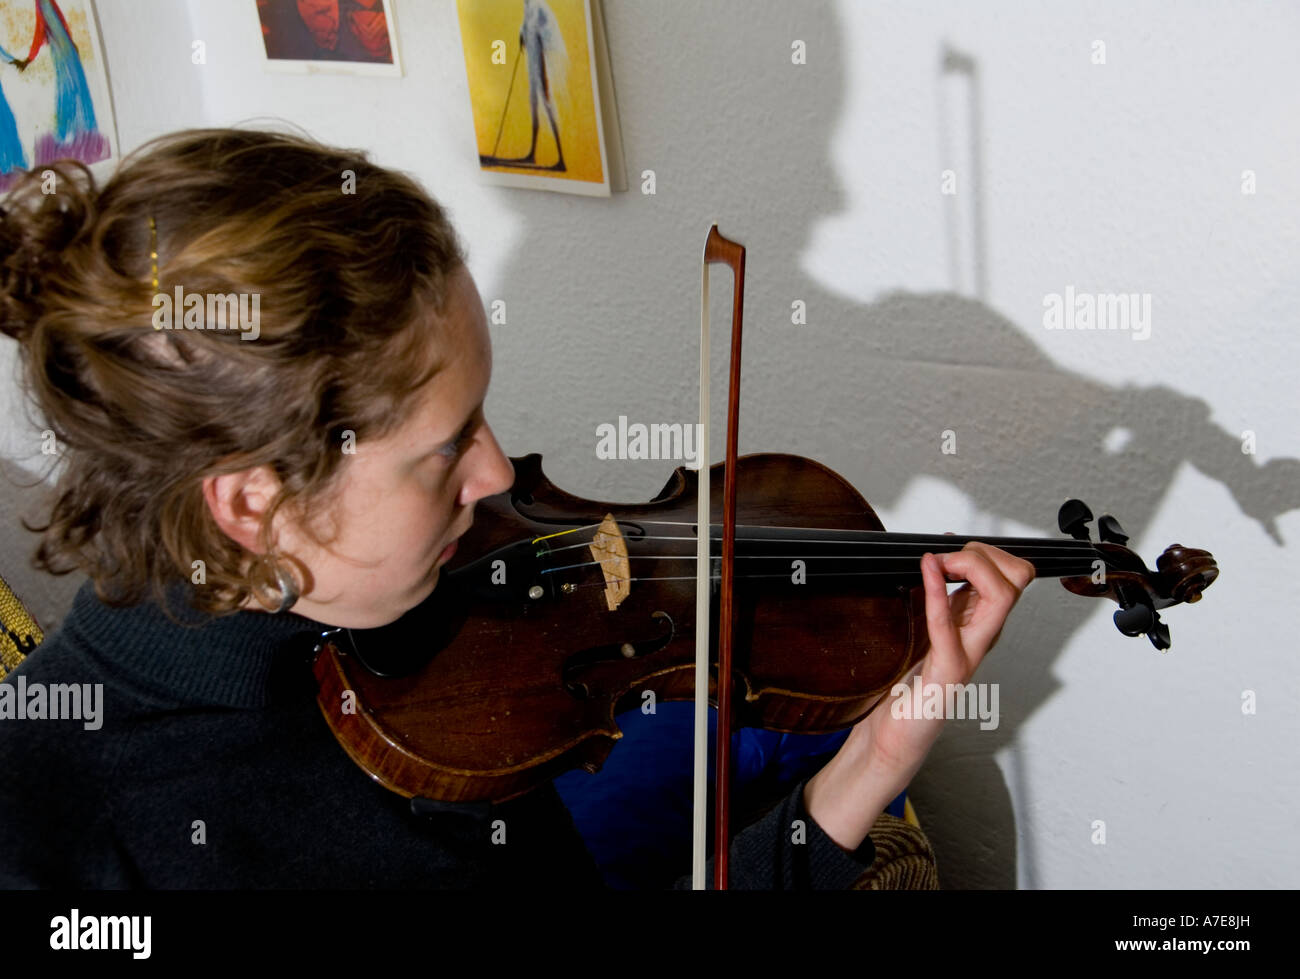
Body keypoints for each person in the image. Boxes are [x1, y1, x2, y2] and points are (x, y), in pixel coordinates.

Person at [0, 127, 1034, 888]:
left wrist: (873, 760)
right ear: (252, 504)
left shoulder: (426, 652)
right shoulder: (51, 833)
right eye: (444, 448)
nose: (496, 474)